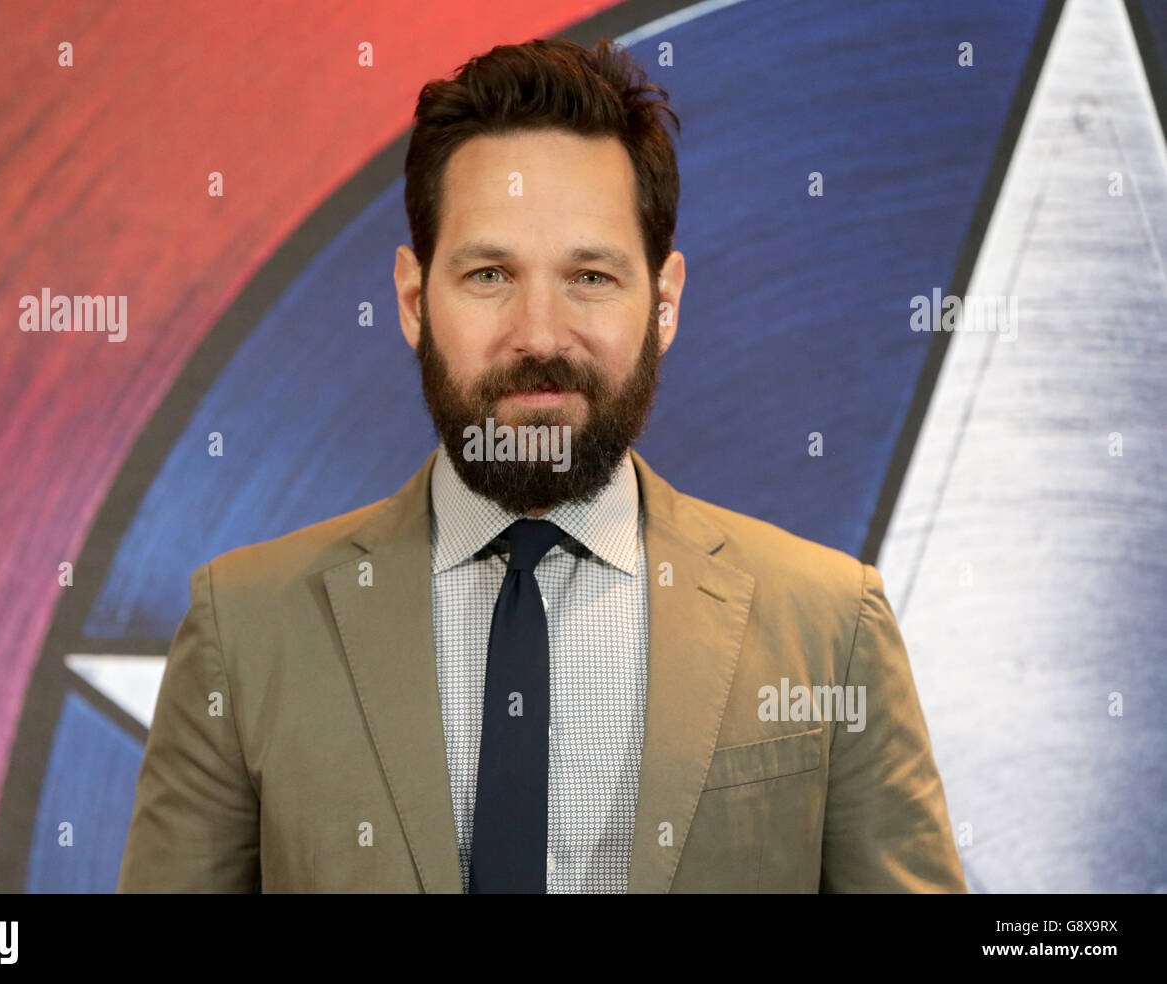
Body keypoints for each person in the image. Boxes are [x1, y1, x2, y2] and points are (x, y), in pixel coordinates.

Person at [118, 37, 965, 893]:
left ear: (664, 302)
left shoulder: (828, 626)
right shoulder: (245, 628)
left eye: (591, 277)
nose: (541, 334)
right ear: (414, 302)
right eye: (490, 274)